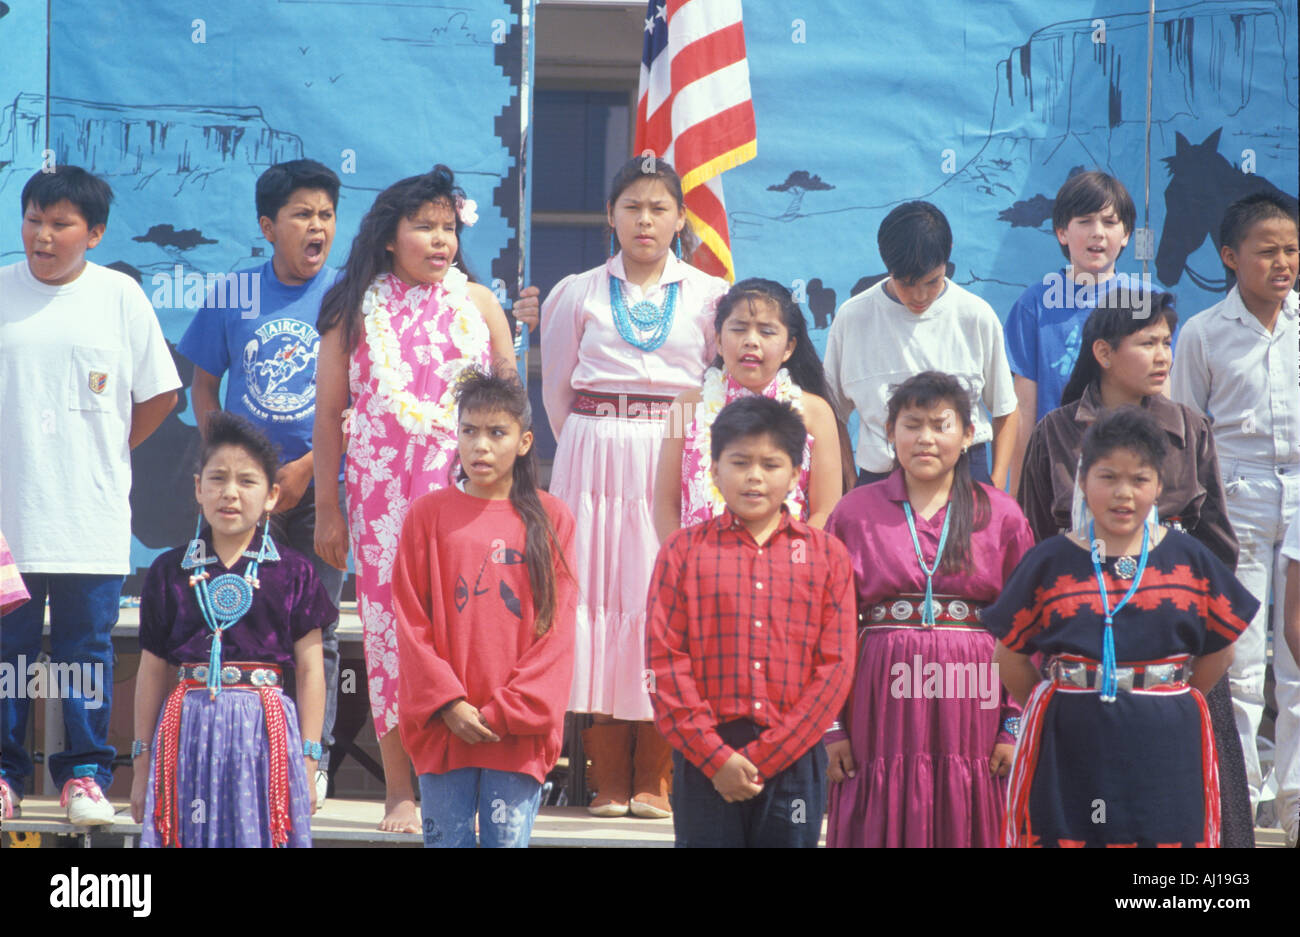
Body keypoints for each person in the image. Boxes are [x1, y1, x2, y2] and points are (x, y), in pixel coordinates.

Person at [313, 165, 516, 833]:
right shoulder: (353, 307)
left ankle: (465, 787)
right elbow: (329, 414)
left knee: (467, 633)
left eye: (449, 227)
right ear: (390, 235)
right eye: (424, 226)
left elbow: (509, 410)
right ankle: (400, 787)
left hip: (468, 496)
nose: (440, 240)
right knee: (391, 636)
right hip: (381, 502)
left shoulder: (480, 305)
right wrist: (328, 508)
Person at [1018, 289, 1253, 846]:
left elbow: (1218, 543)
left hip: (1174, 639)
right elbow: (1033, 542)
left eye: (1167, 342)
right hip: (1081, 647)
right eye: (1147, 342)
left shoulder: (1189, 428)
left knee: (1179, 808)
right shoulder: (1056, 431)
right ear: (1102, 351)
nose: (1163, 356)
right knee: (1083, 807)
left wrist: (1188, 628)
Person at [538, 157, 728, 819]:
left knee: (660, 600)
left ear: (680, 218)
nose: (645, 220)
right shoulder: (577, 291)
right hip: (592, 451)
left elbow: (709, 385)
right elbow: (557, 391)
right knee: (594, 597)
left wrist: (670, 442)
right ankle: (606, 774)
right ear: (610, 216)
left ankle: (656, 771)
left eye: (658, 208)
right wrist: (600, 440)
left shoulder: (709, 293)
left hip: (674, 447)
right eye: (632, 207)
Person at [985, 408, 1257, 847]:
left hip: (1166, 740)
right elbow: (1009, 658)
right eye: (1108, 477)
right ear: (1083, 481)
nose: (1123, 493)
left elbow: (1222, 650)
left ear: (1160, 486)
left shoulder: (1191, 559)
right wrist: (1062, 698)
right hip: (1070, 737)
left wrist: (1167, 698)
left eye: (1139, 479)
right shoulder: (1049, 561)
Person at [0, 166, 180, 824]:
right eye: (33, 221)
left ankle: (85, 777)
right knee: (7, 652)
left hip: (89, 516)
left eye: (60, 224)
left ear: (94, 233)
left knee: (84, 651)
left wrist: (104, 448)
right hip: (7, 519)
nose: (42, 236)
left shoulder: (119, 298)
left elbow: (161, 392)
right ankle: (3, 771)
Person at [178, 158, 345, 806]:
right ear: (268, 225)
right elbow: (203, 382)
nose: (317, 226)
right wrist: (231, 468)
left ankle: (311, 758)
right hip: (241, 497)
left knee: (315, 629)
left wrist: (308, 471)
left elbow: (361, 399)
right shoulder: (235, 291)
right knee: (224, 617)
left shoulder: (345, 294)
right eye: (302, 214)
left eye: (326, 214)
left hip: (318, 491)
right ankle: (227, 749)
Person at [823, 372, 1033, 847]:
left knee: (970, 803)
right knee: (882, 801)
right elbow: (828, 626)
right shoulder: (853, 513)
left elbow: (1027, 628)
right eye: (911, 425)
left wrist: (1013, 721)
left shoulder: (1001, 515)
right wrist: (832, 725)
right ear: (888, 433)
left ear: (967, 436)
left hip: (975, 691)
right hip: (879, 693)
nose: (925, 438)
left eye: (941, 425)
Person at [646, 396, 856, 847]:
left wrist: (768, 755)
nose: (755, 476)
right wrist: (714, 755)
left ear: (796, 473)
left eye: (771, 463)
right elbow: (664, 664)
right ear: (715, 468)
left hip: (795, 757)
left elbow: (835, 669)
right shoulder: (682, 552)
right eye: (739, 462)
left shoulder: (826, 555)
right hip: (705, 758)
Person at [393, 370, 577, 847]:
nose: (481, 446)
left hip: (514, 735)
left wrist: (507, 711)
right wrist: (447, 703)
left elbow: (557, 632)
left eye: (497, 433)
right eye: (469, 431)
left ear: (524, 441)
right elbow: (411, 622)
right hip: (444, 728)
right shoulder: (426, 516)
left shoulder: (553, 519)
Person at [130, 412, 330, 847]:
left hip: (264, 733)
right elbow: (151, 670)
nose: (230, 494)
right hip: (189, 730)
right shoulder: (169, 571)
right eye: (218, 479)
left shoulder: (293, 572)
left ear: (273, 495)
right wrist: (142, 765)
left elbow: (313, 671)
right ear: (198, 488)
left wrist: (310, 761)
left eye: (247, 481)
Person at [1170, 192, 1299, 838]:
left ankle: (1296, 794)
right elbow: (1185, 433)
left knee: (1298, 656)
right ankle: (1242, 796)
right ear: (1230, 256)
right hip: (1236, 504)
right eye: (1268, 250)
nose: (1283, 263)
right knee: (1242, 660)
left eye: (1292, 250)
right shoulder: (1202, 334)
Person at [824, 201, 1018, 491]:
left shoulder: (975, 315)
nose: (920, 295)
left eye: (932, 281)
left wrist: (996, 485)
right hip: (880, 480)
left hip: (965, 478)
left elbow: (1005, 409)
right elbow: (831, 412)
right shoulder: (853, 318)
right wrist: (850, 480)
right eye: (906, 283)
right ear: (886, 264)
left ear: (948, 253)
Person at [653, 277, 841, 540]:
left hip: (788, 569)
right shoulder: (684, 407)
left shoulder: (815, 412)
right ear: (718, 341)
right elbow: (665, 504)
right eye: (739, 329)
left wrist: (795, 563)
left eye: (766, 332)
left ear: (789, 347)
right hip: (697, 567)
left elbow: (826, 509)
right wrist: (680, 562)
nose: (751, 341)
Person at [1004, 170, 1137, 496]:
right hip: (1056, 479)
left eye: (1109, 222)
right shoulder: (1033, 305)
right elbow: (1024, 412)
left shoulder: (1146, 304)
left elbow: (1164, 403)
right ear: (1062, 232)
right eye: (1085, 221)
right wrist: (1020, 498)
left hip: (1131, 478)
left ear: (1127, 235)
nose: (1098, 234)